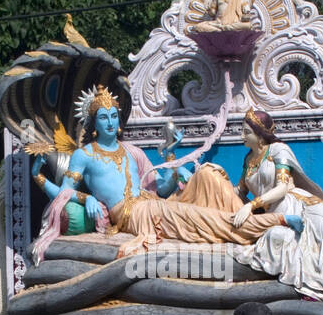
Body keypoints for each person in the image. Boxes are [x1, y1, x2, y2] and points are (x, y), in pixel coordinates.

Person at [30, 86, 300, 260]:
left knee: (208, 173)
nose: (111, 122)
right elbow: (63, 192)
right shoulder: (84, 155)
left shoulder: (131, 151)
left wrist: (172, 170)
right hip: (133, 214)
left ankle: (249, 218)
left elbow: (160, 188)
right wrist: (79, 196)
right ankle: (276, 222)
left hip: (154, 203)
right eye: (104, 117)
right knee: (198, 217)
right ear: (93, 122)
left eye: (114, 116)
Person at [229, 109, 323, 309]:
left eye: (246, 132)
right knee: (288, 243)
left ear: (260, 135)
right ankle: (317, 292)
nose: (242, 136)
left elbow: (282, 187)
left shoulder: (278, 150)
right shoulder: (248, 160)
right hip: (276, 215)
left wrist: (251, 205)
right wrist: (214, 183)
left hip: (300, 204)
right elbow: (239, 190)